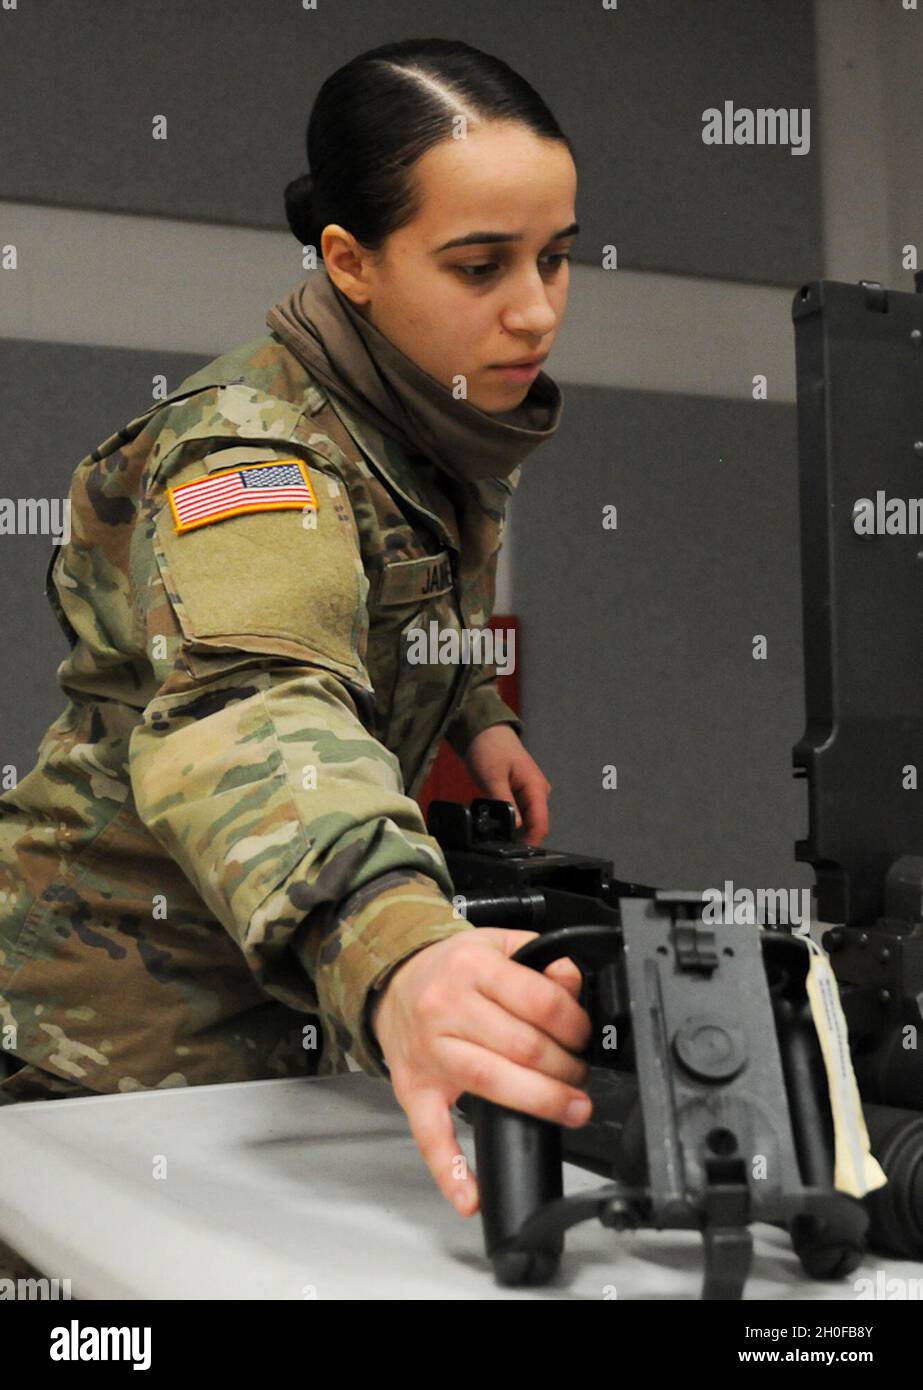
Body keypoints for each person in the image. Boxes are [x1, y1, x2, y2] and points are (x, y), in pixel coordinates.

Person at [0, 37, 592, 1218]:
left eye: (557, 258)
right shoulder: (254, 456)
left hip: (271, 1003)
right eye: (480, 265)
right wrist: (402, 948)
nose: (534, 311)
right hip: (110, 1039)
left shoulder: (431, 404)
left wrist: (468, 706)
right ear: (348, 261)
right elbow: (251, 707)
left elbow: (397, 585)